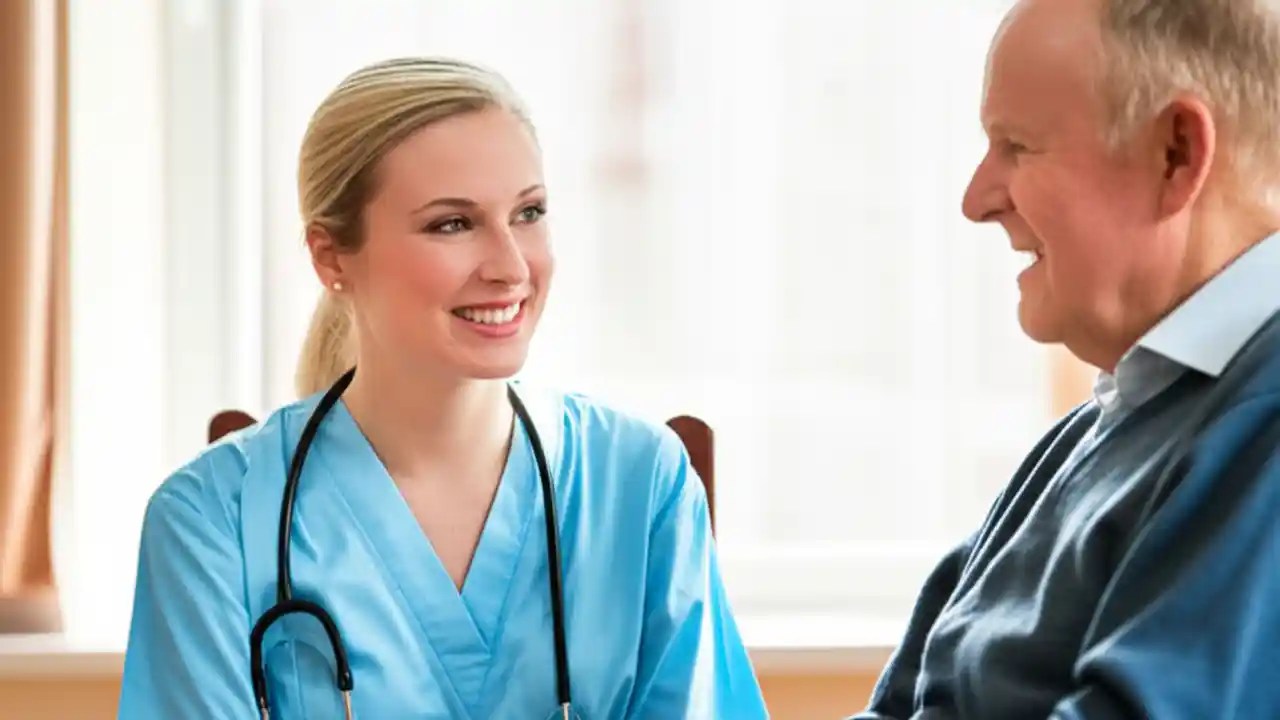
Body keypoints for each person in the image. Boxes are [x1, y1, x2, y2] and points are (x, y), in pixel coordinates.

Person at [117, 57, 767, 719]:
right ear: (331, 257)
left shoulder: (638, 486)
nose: (511, 267)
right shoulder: (210, 520)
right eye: (451, 224)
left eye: (529, 212)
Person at [853, 0, 1280, 718]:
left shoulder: (1263, 421)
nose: (976, 200)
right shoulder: (1094, 432)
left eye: (1016, 146)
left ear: (1176, 153)